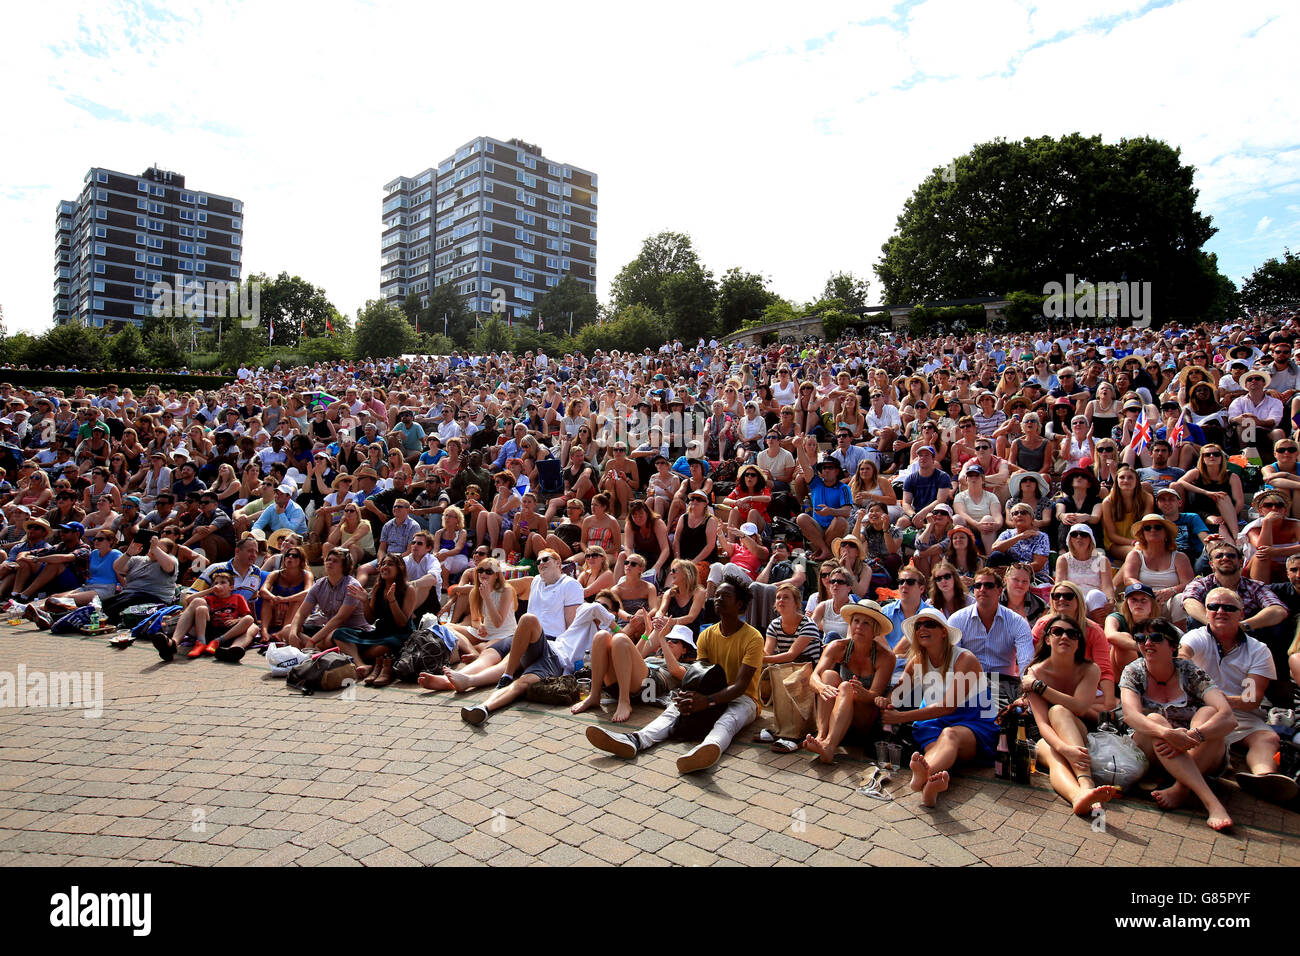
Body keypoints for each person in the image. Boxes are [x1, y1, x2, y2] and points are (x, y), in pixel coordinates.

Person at [585, 577, 764, 775]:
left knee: (729, 720)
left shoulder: (753, 638)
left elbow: (740, 686)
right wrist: (687, 695)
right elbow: (699, 675)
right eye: (717, 595)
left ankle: (707, 748)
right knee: (673, 710)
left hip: (744, 698)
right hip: (711, 692)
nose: (718, 599)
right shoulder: (706, 635)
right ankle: (636, 740)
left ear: (739, 604)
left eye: (726, 596)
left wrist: (708, 701)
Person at [1179, 588, 1298, 803]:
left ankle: (1264, 778)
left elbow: (1251, 699)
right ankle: (1188, 778)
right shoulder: (1195, 637)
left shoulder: (1259, 650)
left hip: (1240, 712)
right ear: (1206, 612)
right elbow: (1182, 656)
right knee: (1207, 716)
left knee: (1267, 737)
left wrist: (1218, 699)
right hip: (1200, 707)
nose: (1220, 611)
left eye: (1229, 607)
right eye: (1213, 607)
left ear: (1241, 614)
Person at [1118, 617, 1237, 832]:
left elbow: (1228, 717)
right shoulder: (1133, 671)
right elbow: (1130, 716)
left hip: (1196, 749)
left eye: (1155, 637)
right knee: (1153, 719)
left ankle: (1181, 788)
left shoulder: (1190, 671)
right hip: (1154, 749)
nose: (1147, 643)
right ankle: (1212, 802)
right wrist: (1168, 734)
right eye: (1140, 638)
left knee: (1209, 713)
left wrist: (1195, 736)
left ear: (1173, 645)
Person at [878, 608, 997, 808]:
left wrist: (900, 717)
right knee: (938, 749)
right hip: (932, 723)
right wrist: (885, 702)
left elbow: (948, 707)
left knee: (950, 736)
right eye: (918, 625)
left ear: (944, 632)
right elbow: (897, 694)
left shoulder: (964, 659)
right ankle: (929, 790)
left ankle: (924, 774)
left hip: (973, 723)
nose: (922, 628)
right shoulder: (917, 661)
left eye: (930, 624)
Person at [1021, 613, 1122, 816]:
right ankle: (1078, 796)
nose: (1064, 637)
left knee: (1058, 711)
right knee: (1054, 756)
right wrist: (1064, 749)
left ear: (1078, 643)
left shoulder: (1089, 669)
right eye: (1057, 632)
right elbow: (1042, 724)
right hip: (1044, 735)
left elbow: (1080, 708)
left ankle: (1085, 782)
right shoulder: (1035, 672)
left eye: (1072, 634)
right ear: (1047, 639)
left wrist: (1040, 688)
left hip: (1079, 729)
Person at [801, 601, 896, 763]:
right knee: (829, 675)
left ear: (875, 631)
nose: (859, 626)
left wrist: (862, 693)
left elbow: (875, 696)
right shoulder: (838, 647)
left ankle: (829, 746)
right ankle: (822, 736)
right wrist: (822, 687)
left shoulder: (885, 657)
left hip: (865, 719)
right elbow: (813, 677)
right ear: (850, 624)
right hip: (840, 711)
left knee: (845, 686)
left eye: (866, 623)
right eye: (856, 621)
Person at [948, 566, 1034, 710]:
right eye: (977, 585)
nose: (982, 589)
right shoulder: (957, 619)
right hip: (968, 680)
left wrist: (1027, 691)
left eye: (988, 585)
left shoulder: (1017, 622)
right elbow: (952, 660)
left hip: (1004, 682)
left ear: (1000, 590)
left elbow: (1026, 661)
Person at [332, 554, 419, 688]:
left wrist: (392, 601)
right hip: (379, 633)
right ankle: (363, 665)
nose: (385, 567)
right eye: (383, 564)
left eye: (390, 564)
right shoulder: (378, 588)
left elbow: (402, 623)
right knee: (340, 633)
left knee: (388, 645)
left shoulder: (409, 589)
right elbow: (370, 619)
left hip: (399, 635)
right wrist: (364, 602)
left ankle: (362, 658)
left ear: (399, 568)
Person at [159, 569, 259, 663]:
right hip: (211, 629)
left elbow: (247, 616)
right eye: (216, 583)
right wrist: (210, 590)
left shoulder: (238, 598)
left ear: (231, 587)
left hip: (229, 632)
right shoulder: (210, 598)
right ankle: (198, 642)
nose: (218, 585)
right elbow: (189, 600)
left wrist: (236, 621)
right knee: (201, 608)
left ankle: (231, 650)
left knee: (250, 621)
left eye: (223, 583)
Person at [1119, 513, 1193, 620]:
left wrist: (1171, 591)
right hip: (1143, 601)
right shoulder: (1135, 555)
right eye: (1147, 528)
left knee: (1180, 599)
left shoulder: (1179, 557)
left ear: (1166, 533)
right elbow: (1128, 579)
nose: (1152, 530)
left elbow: (1188, 582)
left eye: (1158, 527)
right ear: (1142, 534)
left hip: (1170, 603)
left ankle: (1179, 634)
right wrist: (1148, 592)